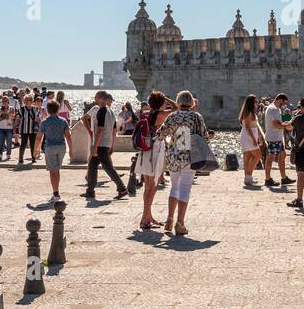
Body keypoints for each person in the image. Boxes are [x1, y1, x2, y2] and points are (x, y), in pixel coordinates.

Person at [154, 90, 211, 235]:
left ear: (178, 101)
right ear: (192, 102)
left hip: (174, 157)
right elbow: (205, 136)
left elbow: (160, 134)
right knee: (185, 189)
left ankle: (169, 218)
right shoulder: (196, 117)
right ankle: (180, 223)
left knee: (174, 187)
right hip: (190, 157)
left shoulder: (172, 116)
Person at [134, 91, 173, 229]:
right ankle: (145, 219)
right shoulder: (160, 115)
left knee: (147, 187)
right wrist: (166, 98)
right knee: (152, 187)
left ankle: (148, 216)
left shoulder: (147, 114)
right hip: (154, 153)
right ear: (161, 103)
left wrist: (158, 100)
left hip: (145, 152)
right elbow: (176, 109)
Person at [82, 91, 127, 200]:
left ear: (101, 98)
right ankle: (90, 191)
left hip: (101, 143)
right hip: (106, 142)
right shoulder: (111, 111)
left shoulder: (102, 110)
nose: (95, 99)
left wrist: (94, 146)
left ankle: (122, 188)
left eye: (96, 97)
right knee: (92, 166)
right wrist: (111, 145)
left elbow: (100, 130)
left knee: (108, 167)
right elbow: (114, 129)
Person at [34, 100, 74, 201]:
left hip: (50, 147)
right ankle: (56, 191)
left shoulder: (44, 122)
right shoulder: (63, 121)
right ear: (58, 109)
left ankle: (56, 194)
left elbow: (39, 138)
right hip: (61, 147)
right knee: (57, 169)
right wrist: (71, 150)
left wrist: (35, 150)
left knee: (52, 171)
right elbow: (68, 137)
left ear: (47, 110)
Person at [262, 93, 293, 188]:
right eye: (284, 103)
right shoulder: (273, 109)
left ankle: (284, 178)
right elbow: (276, 125)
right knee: (270, 158)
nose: (284, 105)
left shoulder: (276, 109)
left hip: (277, 138)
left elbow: (278, 123)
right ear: (280, 100)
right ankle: (267, 179)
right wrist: (287, 125)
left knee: (282, 156)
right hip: (273, 138)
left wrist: (285, 124)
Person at [239, 94, 265, 188]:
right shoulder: (249, 113)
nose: (257, 103)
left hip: (250, 135)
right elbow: (247, 126)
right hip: (248, 136)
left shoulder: (250, 112)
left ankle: (248, 178)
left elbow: (255, 127)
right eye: (255, 101)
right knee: (258, 155)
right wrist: (254, 139)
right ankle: (248, 176)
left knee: (249, 157)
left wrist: (258, 137)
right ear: (251, 102)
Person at [16, 94, 40, 167]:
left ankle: (33, 158)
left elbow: (37, 118)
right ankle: (20, 158)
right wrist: (15, 126)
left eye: (29, 100)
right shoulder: (21, 109)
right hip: (24, 129)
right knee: (23, 144)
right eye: (26, 100)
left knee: (33, 145)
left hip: (33, 129)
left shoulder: (35, 109)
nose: (27, 101)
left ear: (31, 101)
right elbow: (18, 118)